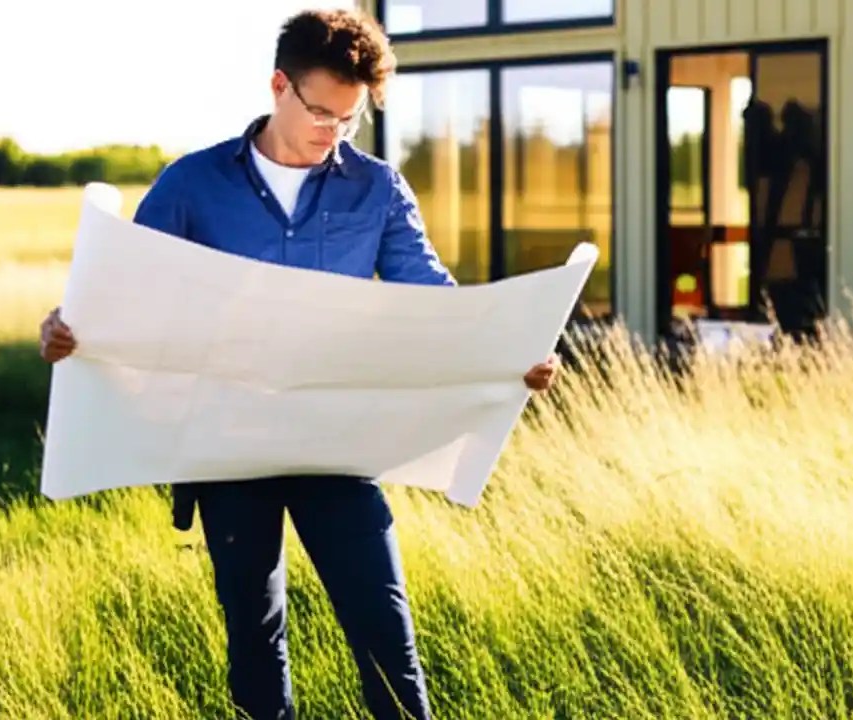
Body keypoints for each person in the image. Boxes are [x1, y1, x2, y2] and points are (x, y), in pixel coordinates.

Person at [37, 8, 558, 719]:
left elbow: (434, 301)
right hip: (225, 452)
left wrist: (507, 350)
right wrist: (69, 332)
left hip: (338, 450)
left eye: (349, 119)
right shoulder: (191, 186)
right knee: (255, 641)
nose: (331, 132)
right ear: (278, 85)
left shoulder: (376, 189)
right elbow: (126, 297)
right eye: (320, 112)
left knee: (385, 632)